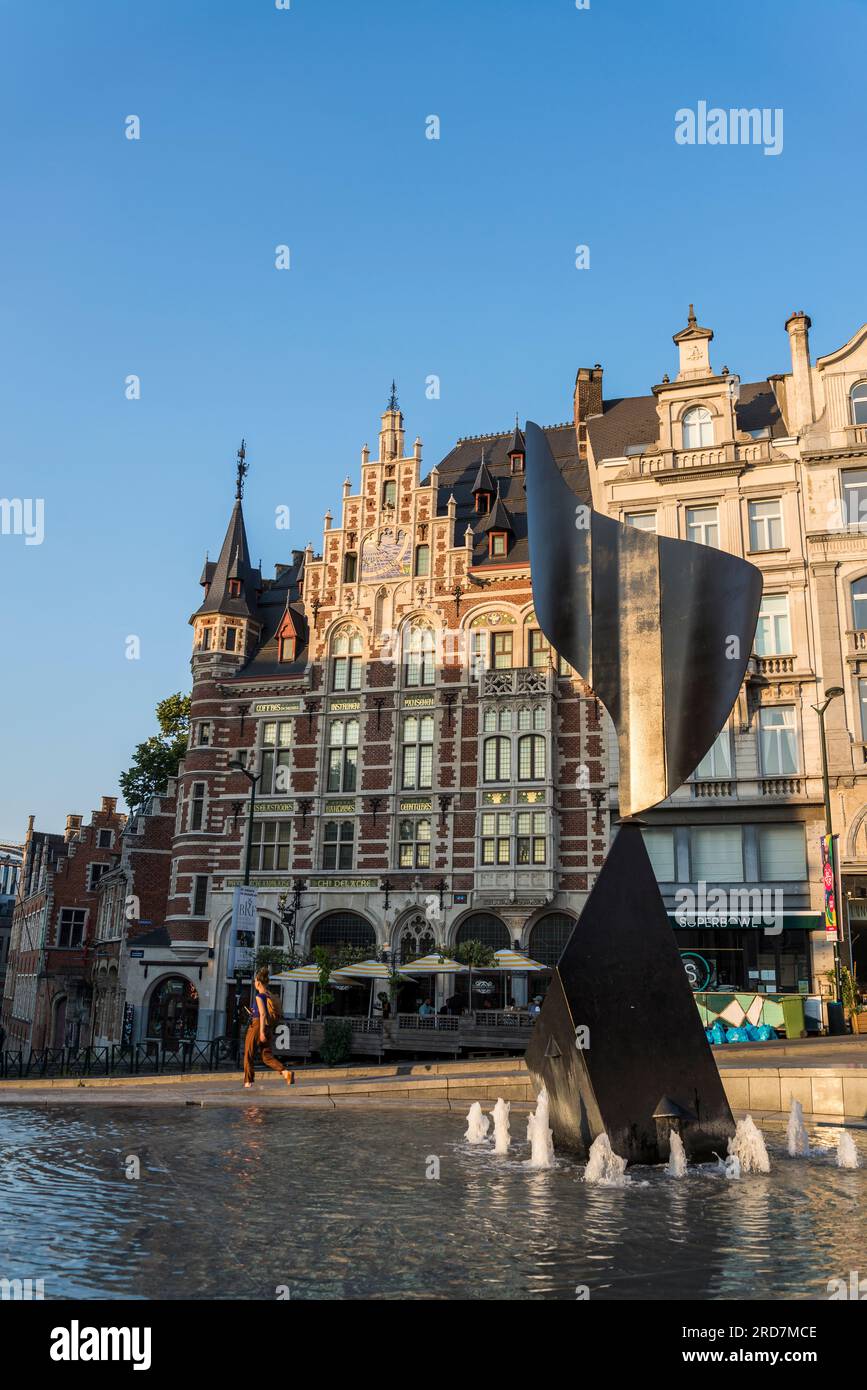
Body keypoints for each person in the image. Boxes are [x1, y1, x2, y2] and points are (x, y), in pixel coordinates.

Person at [243, 968, 294, 1088]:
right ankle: (286, 1072)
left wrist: (260, 1032)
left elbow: (262, 1014)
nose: (254, 983)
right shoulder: (269, 995)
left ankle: (248, 1082)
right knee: (266, 1056)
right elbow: (264, 1012)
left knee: (248, 1053)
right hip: (267, 1027)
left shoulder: (259, 996)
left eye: (255, 981)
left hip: (257, 1026)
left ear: (259, 983)